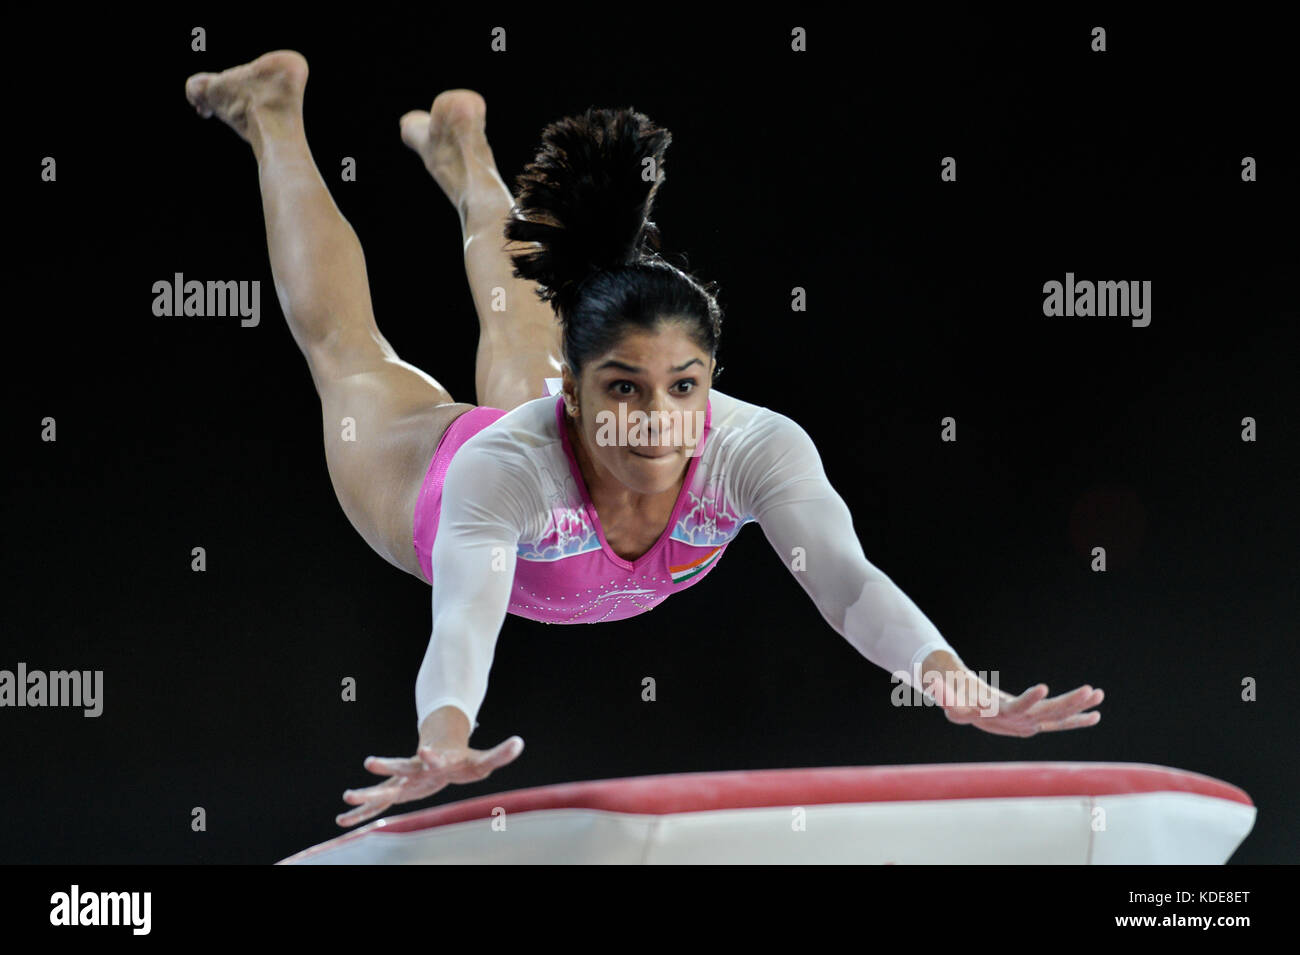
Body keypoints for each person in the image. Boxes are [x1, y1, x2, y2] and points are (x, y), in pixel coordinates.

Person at [183, 50, 1105, 830]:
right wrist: (444, 733)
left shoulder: (751, 448)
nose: (656, 420)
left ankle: (469, 164)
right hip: (429, 480)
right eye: (622, 387)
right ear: (577, 398)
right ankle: (272, 114)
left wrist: (949, 678)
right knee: (349, 355)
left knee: (518, 329)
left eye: (683, 387)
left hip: (546, 438)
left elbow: (848, 580)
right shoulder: (506, 464)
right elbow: (464, 619)